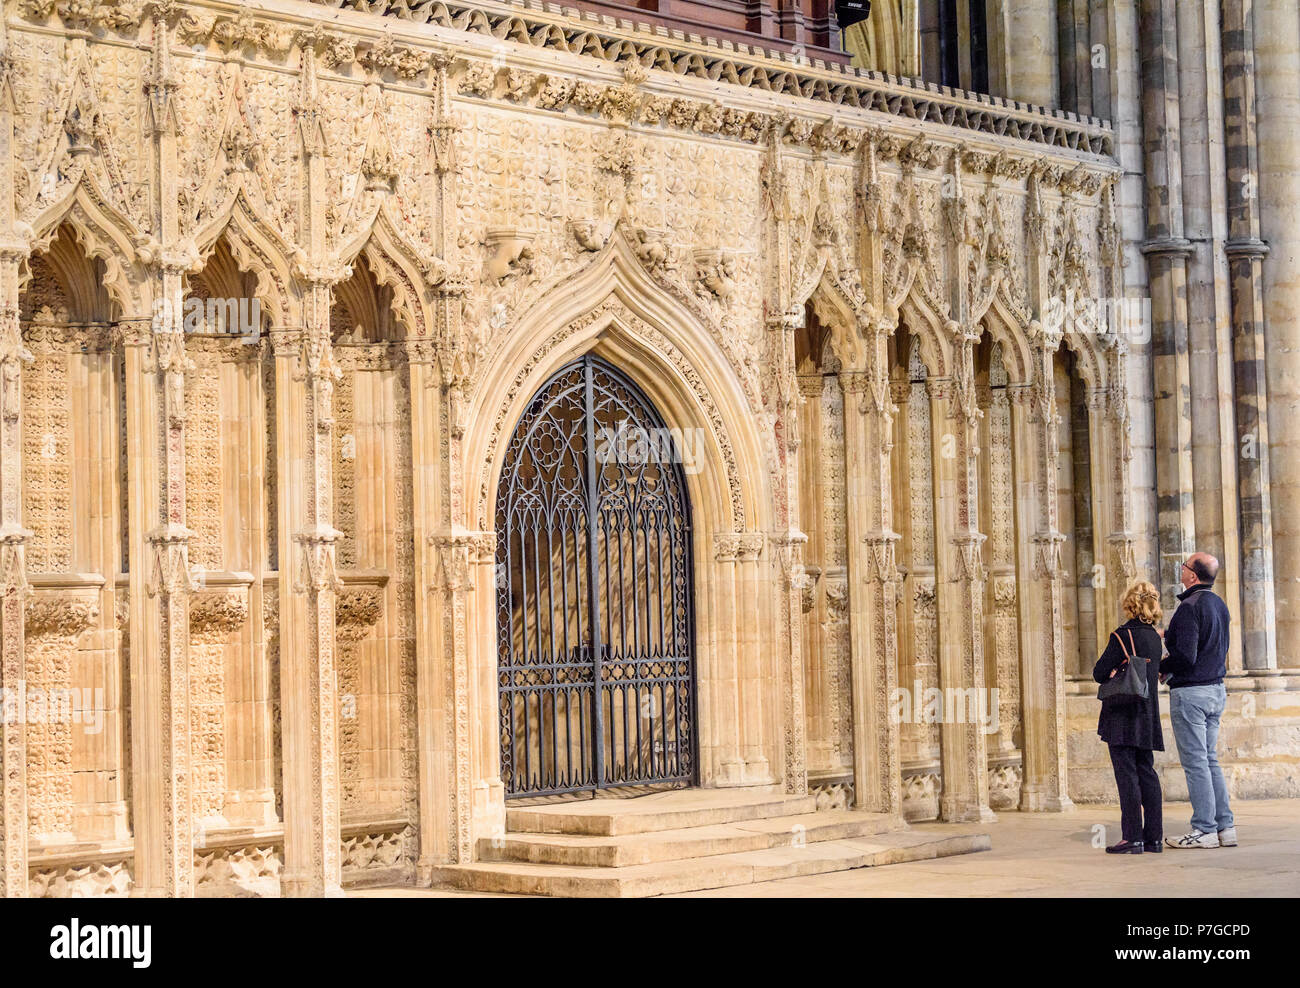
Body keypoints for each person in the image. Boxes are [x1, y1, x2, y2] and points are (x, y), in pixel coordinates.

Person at [1161, 552, 1236, 849]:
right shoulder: (1219, 605)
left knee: (1196, 763)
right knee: (1209, 760)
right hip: (1216, 690)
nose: (1181, 569)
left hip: (1192, 694)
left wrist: (1161, 667)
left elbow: (1185, 656)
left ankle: (1204, 829)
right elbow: (1209, 646)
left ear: (1192, 575)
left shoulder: (1189, 607)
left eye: (1184, 566)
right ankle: (1225, 828)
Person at [1092, 581, 1165, 854]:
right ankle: (1154, 837)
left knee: (1127, 775)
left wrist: (1112, 673)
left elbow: (1099, 672)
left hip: (1123, 713)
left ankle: (1132, 836)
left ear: (1130, 605)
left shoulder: (1122, 636)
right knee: (1147, 771)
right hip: (1147, 713)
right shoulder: (1155, 638)